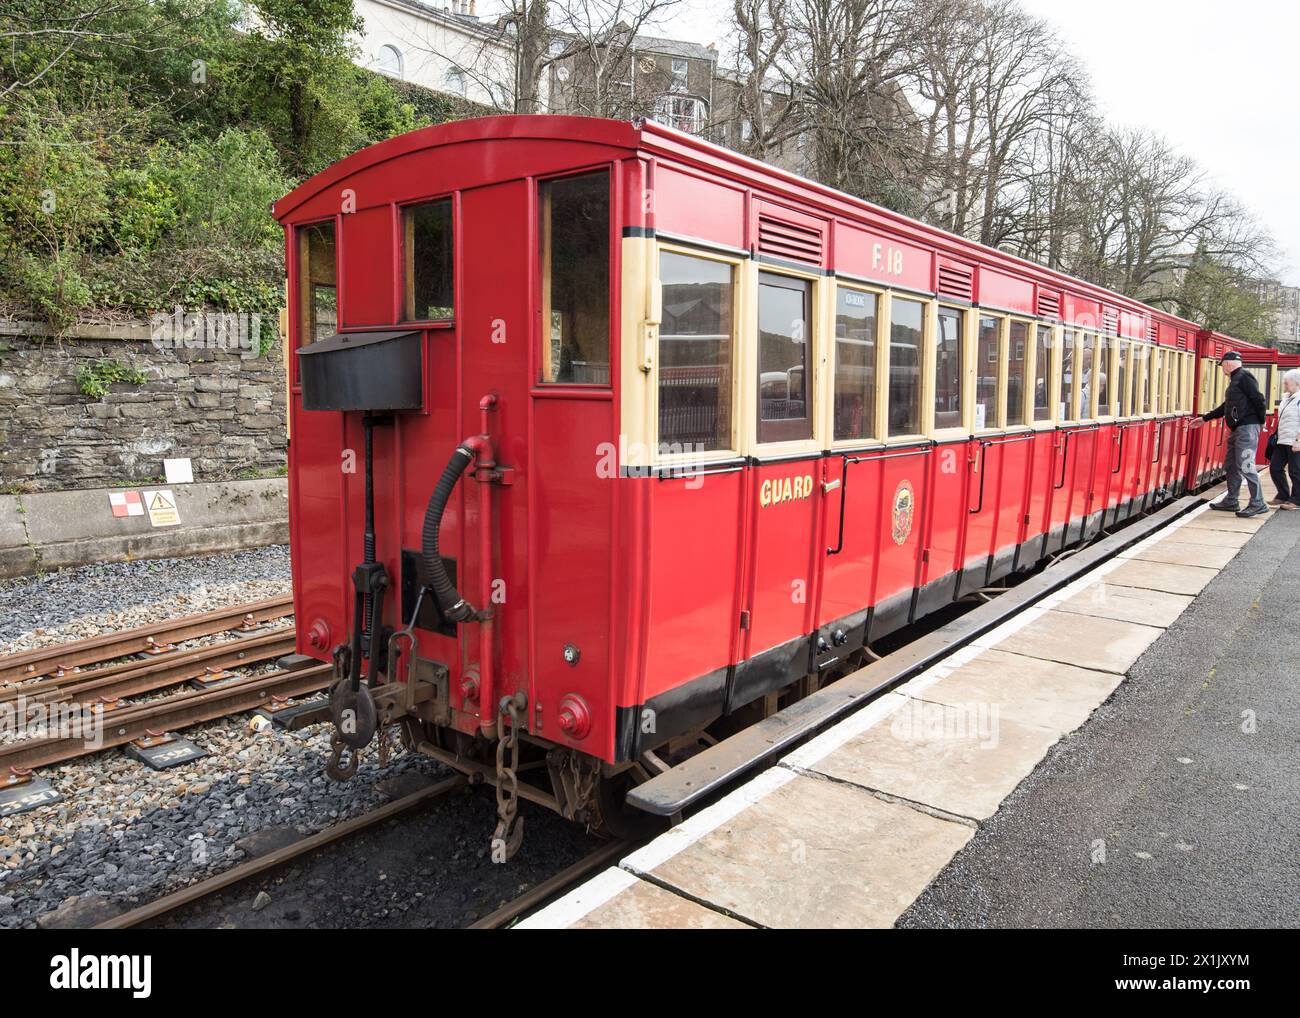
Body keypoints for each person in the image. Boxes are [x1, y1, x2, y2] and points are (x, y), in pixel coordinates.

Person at [1192, 351, 1269, 517]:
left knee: (1246, 464)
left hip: (1247, 427)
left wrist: (1261, 421)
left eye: (1222, 365)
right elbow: (1226, 406)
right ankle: (1232, 500)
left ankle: (1258, 502)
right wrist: (1205, 419)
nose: (1222, 369)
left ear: (1228, 363)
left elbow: (1259, 399)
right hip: (1238, 429)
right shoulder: (1236, 380)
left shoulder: (1243, 377)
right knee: (1231, 464)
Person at [1269, 368, 1300, 510]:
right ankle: (1283, 495)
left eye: (1287, 383)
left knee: (1295, 471)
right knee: (1275, 467)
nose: (1285, 385)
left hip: (1295, 441)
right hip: (1283, 440)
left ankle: (1296, 500)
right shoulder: (1287, 398)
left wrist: (1299, 441)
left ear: (1297, 384)